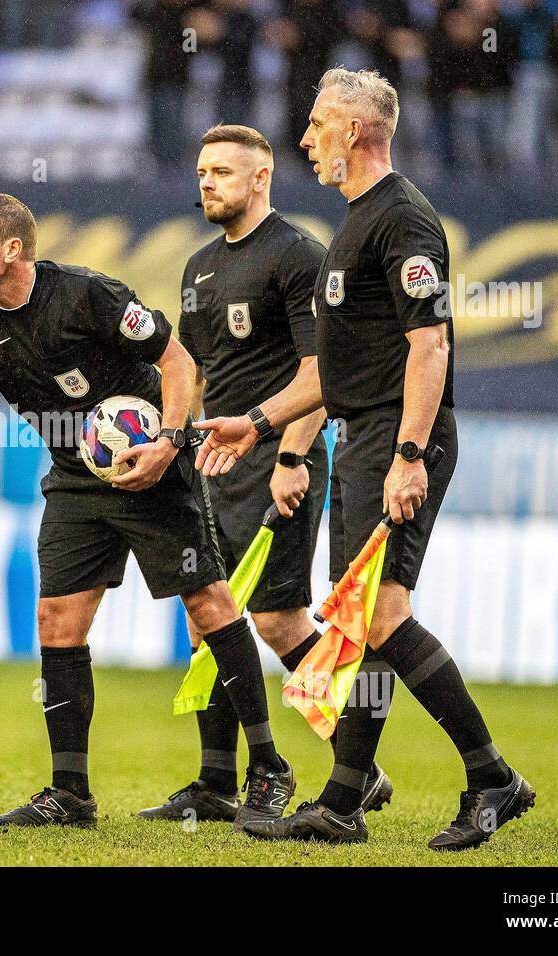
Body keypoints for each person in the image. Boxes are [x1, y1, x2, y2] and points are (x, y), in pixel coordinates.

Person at [193, 68, 535, 850]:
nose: (306, 138)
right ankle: (344, 801)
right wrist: (255, 422)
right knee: (357, 625)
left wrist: (409, 453)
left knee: (381, 615)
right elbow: (334, 374)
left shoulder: (403, 220)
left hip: (397, 438)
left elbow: (432, 345)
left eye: (317, 125)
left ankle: (492, 778)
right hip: (362, 434)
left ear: (354, 129)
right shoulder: (355, 221)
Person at [0, 193, 296, 828]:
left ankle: (268, 767)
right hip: (76, 480)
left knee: (209, 604)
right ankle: (70, 793)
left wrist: (170, 441)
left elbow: (178, 360)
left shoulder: (88, 295)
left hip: (150, 471)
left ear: (13, 249)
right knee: (57, 619)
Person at [136, 124, 394, 830]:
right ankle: (217, 780)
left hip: (281, 460)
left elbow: (323, 373)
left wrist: (290, 458)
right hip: (215, 462)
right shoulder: (197, 267)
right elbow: (191, 369)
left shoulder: (299, 255)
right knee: (206, 617)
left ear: (261, 179)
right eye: (200, 171)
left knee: (280, 621)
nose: (207, 182)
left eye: (221, 170)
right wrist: (168, 441)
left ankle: (355, 766)